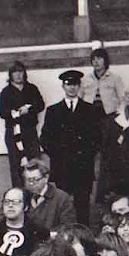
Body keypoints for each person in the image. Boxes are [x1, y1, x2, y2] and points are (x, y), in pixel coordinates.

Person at [40, 69, 101, 216]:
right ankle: (63, 230)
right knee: (62, 206)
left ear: (79, 86)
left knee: (83, 207)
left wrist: (87, 155)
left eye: (75, 84)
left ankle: (83, 230)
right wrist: (58, 155)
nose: (72, 88)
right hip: (62, 166)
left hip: (83, 166)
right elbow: (45, 139)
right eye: (68, 84)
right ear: (63, 86)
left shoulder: (90, 110)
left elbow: (97, 138)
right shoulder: (53, 111)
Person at [0, 61, 46, 187]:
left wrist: (29, 109)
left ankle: (35, 192)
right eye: (15, 72)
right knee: (16, 165)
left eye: (20, 71)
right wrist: (14, 112)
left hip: (30, 131)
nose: (18, 75)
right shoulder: (6, 92)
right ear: (11, 75)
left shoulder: (31, 89)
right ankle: (19, 194)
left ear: (24, 73)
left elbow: (40, 105)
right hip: (13, 133)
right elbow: (1, 112)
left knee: (34, 163)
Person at [21, 154, 78, 235]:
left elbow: (68, 227)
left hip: (51, 241)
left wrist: (47, 235)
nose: (31, 184)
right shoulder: (22, 196)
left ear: (46, 178)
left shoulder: (62, 198)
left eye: (34, 180)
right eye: (28, 180)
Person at [80, 47, 124, 116]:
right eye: (93, 59)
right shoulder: (85, 79)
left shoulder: (115, 78)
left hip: (110, 114)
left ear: (105, 60)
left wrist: (119, 113)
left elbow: (122, 98)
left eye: (99, 58)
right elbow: (79, 98)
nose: (96, 62)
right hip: (89, 114)